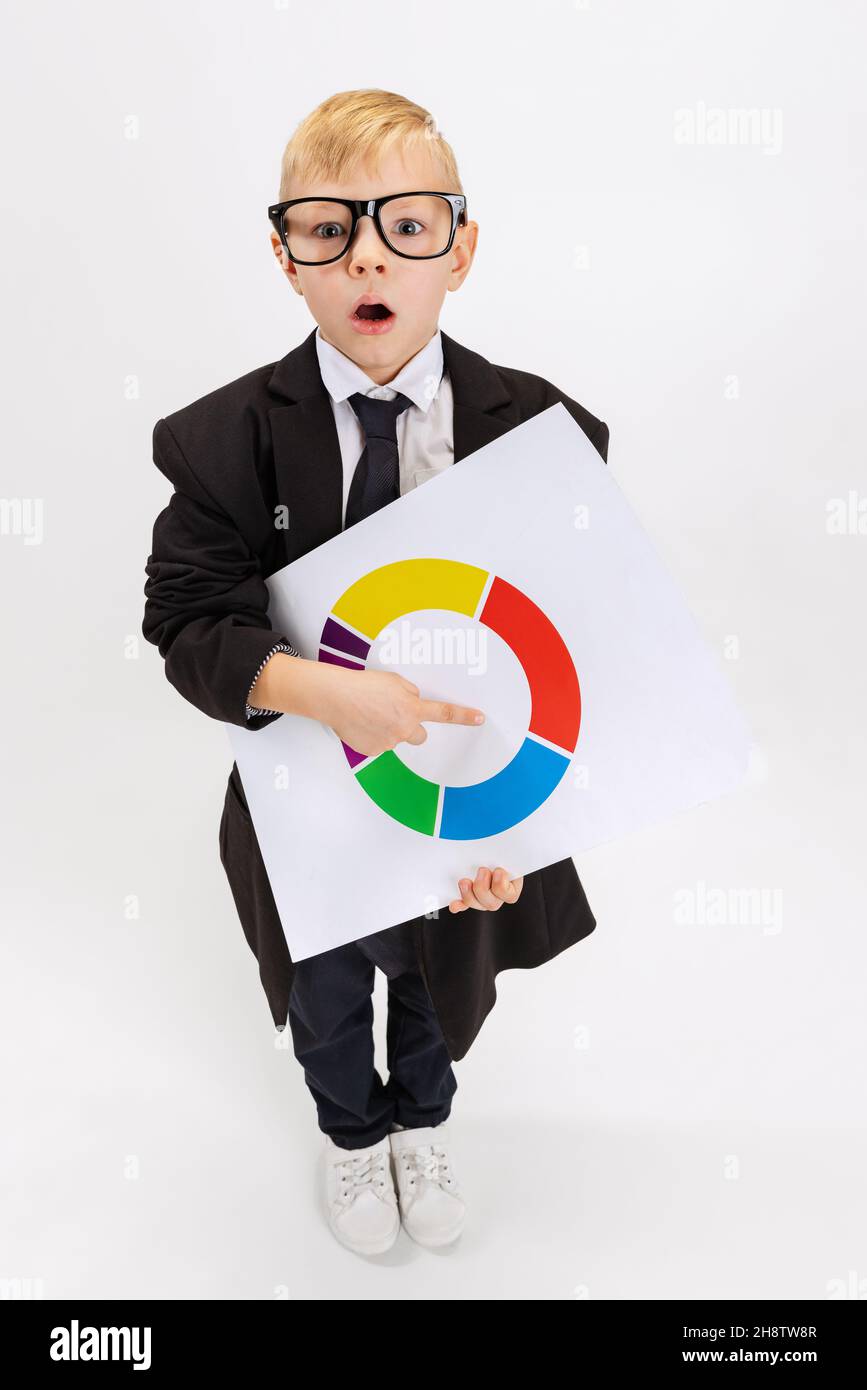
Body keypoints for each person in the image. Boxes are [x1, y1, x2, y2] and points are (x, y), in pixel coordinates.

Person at [142, 88, 609, 1257]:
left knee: (446, 968)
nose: (366, 256)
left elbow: (591, 638)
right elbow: (187, 620)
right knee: (333, 981)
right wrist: (316, 689)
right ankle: (352, 1134)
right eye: (326, 227)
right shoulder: (223, 438)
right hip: (309, 792)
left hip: (471, 787)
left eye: (405, 224)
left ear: (459, 249)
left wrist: (522, 815)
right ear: (286, 256)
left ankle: (424, 1118)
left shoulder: (545, 430)